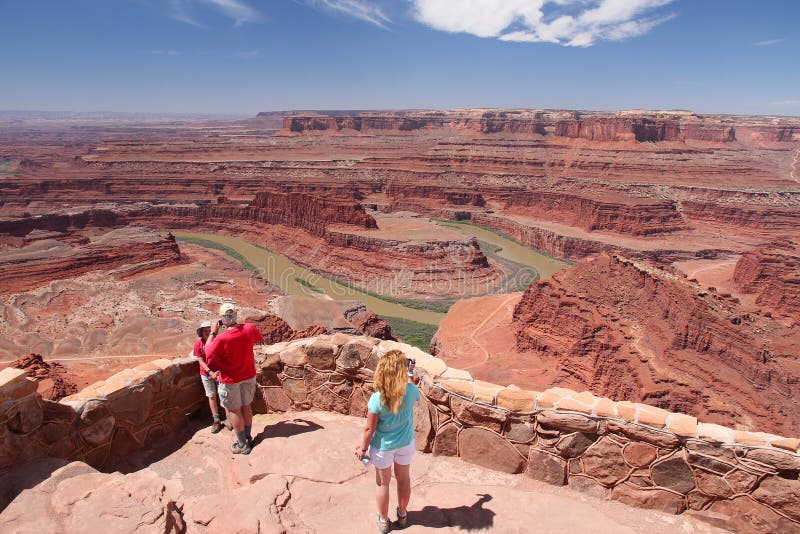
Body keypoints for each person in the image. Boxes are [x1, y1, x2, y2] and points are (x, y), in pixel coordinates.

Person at [355, 350, 420, 533]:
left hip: (383, 447)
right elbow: (411, 388)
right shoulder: (411, 391)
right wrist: (410, 373)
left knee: (382, 484)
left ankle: (384, 521)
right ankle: (402, 514)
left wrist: (363, 449)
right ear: (401, 372)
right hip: (405, 444)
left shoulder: (377, 398)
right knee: (404, 480)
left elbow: (370, 428)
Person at [205, 303, 263, 455]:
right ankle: (249, 437)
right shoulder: (249, 328)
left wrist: (212, 332)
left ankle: (242, 444)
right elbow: (256, 338)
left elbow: (207, 351)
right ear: (236, 315)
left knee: (234, 410)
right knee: (246, 406)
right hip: (248, 375)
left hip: (231, 380)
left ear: (222, 319)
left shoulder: (221, 338)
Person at [193, 320, 225, 433]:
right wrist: (210, 372)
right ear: (201, 332)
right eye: (204, 331)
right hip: (206, 373)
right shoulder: (198, 344)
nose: (207, 333)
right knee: (211, 396)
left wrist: (219, 371)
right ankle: (216, 421)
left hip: (219, 372)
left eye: (209, 330)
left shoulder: (218, 341)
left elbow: (224, 357)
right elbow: (201, 361)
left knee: (224, 394)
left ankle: (230, 419)